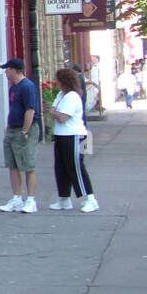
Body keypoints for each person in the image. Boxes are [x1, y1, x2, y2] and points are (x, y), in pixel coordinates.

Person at [48, 67, 99, 212]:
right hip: (61, 135)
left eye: (57, 80)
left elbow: (62, 117)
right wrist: (55, 112)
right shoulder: (61, 95)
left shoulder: (72, 96)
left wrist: (54, 112)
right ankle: (64, 198)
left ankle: (90, 198)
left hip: (74, 135)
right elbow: (53, 111)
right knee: (61, 167)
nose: (56, 82)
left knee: (76, 167)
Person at [0, 58, 40, 213]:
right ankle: (16, 198)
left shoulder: (27, 87)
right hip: (12, 129)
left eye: (7, 69)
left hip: (24, 129)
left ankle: (31, 199)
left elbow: (30, 110)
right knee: (13, 165)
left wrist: (25, 130)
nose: (5, 72)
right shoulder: (13, 88)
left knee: (28, 164)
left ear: (14, 70)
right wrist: (9, 127)